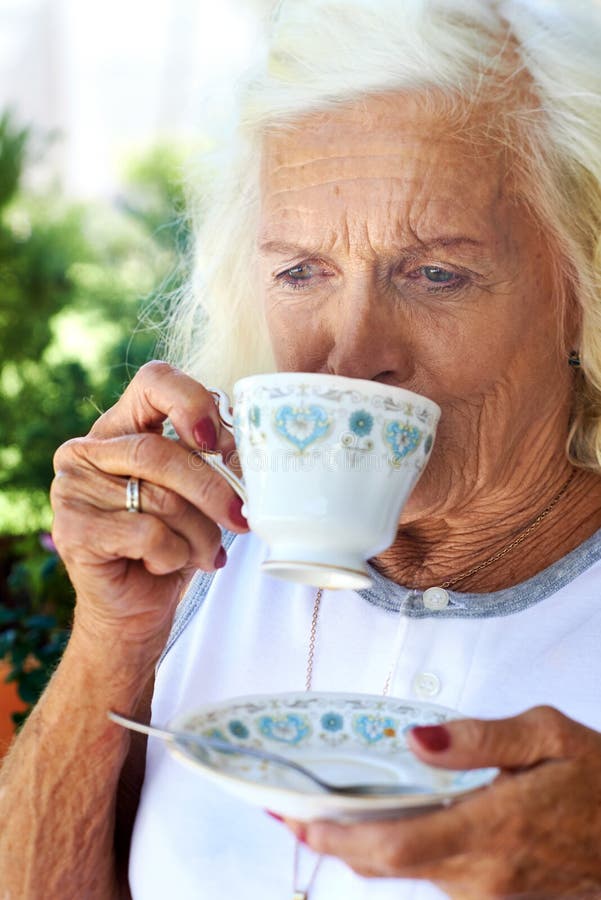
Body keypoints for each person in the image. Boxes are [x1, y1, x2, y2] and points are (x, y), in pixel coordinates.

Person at [2, 0, 601, 897]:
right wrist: (111, 636)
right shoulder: (209, 554)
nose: (353, 354)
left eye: (435, 272)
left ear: (579, 287)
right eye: (300, 272)